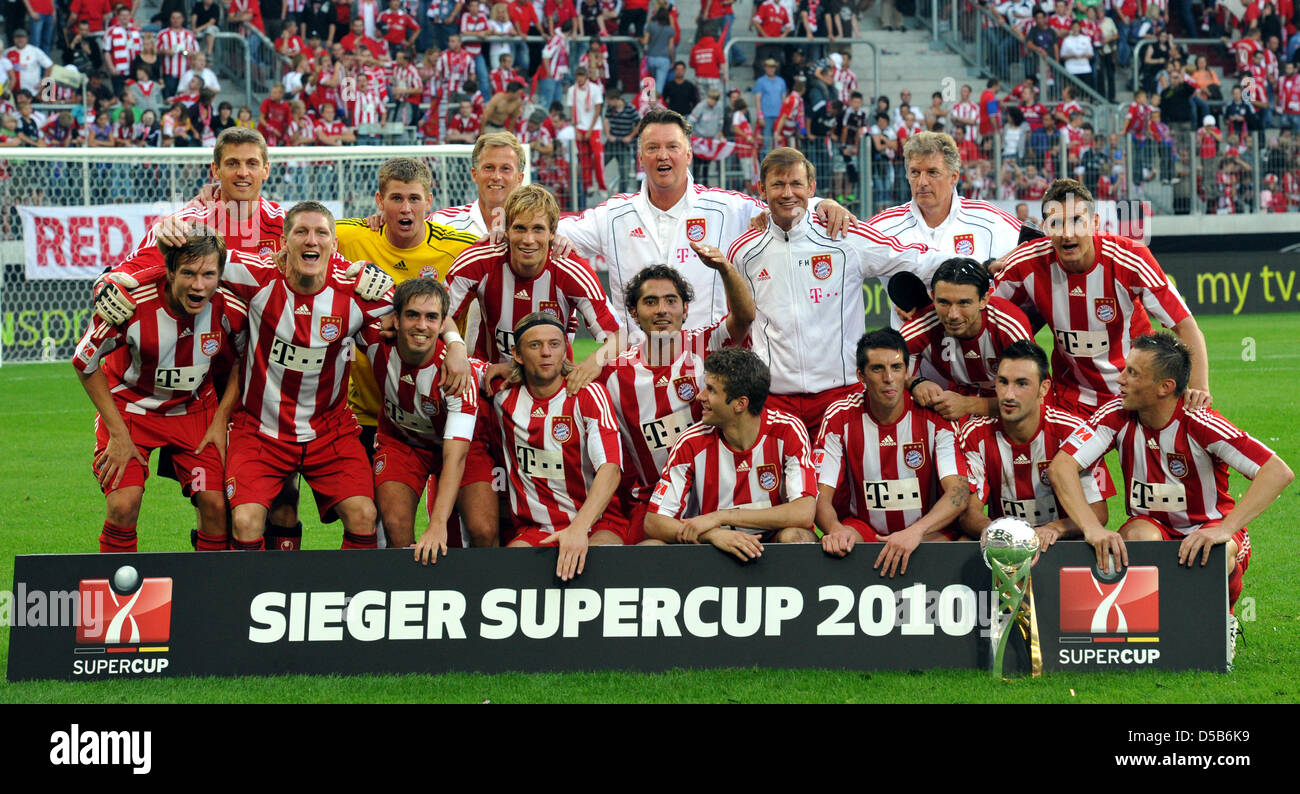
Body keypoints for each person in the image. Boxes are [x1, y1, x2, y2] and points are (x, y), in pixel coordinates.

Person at [1049, 333, 1293, 653]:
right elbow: (1061, 467)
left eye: (1133, 373)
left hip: (1207, 526)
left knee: (1216, 552)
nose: (1120, 379)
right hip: (1156, 529)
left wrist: (1224, 530)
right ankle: (1146, 631)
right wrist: (1092, 528)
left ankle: (1223, 620)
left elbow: (1277, 472)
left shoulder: (1200, 422)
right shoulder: (1116, 414)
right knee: (1136, 536)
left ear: (1164, 387)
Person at [557, 108, 854, 337]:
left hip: (709, 372)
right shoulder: (613, 215)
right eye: (652, 148)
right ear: (640, 157)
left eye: (672, 147)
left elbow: (783, 207)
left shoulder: (726, 208)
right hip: (637, 377)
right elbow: (543, 230)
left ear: (688, 155)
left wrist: (821, 204)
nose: (663, 155)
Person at [444, 185, 624, 545]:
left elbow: (615, 337)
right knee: (483, 524)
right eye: (520, 228)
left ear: (553, 234)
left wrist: (589, 366)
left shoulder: (571, 268)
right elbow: (437, 315)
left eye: (538, 229)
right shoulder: (479, 258)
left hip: (555, 396)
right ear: (505, 229)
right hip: (493, 397)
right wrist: (456, 347)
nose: (528, 239)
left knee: (556, 500)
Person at [726, 147, 941, 440]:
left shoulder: (843, 235)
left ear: (811, 188)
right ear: (762, 189)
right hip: (775, 399)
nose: (788, 193)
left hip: (841, 396)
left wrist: (979, 270)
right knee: (783, 486)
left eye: (797, 184)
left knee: (840, 486)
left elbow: (915, 258)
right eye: (778, 185)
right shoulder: (743, 251)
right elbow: (740, 320)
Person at [73, 232, 245, 553]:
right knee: (123, 505)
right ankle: (119, 599)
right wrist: (118, 433)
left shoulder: (230, 307)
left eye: (208, 274)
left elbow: (244, 361)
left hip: (196, 412)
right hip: (131, 410)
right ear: (169, 272)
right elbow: (84, 362)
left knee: (217, 507)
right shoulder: (129, 303)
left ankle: (210, 594)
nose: (198, 285)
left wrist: (222, 418)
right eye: (188, 274)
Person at [993, 178, 1210, 420]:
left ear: (1094, 222)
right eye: (1056, 223)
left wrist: (1199, 388)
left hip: (1138, 391)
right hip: (1070, 399)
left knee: (1191, 441)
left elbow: (1184, 324)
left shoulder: (1130, 258)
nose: (1067, 233)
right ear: (1045, 227)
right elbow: (980, 309)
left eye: (1077, 221)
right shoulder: (1025, 263)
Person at [335, 158, 479, 498]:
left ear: (429, 202)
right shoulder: (349, 237)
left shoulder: (459, 247)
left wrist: (458, 346)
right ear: (379, 201)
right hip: (371, 410)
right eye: (396, 198)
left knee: (469, 519)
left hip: (443, 406)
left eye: (414, 199)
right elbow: (296, 228)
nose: (406, 208)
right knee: (375, 520)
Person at [598, 254, 754, 547]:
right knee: (637, 560)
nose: (662, 310)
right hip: (654, 503)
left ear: (685, 308)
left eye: (671, 300)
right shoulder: (612, 375)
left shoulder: (708, 346)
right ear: (633, 311)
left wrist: (725, 269)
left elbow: (744, 317)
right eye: (650, 302)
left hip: (718, 496)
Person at [814, 329, 970, 576]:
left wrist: (916, 531)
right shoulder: (839, 417)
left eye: (896, 368)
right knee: (838, 546)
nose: (889, 378)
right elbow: (821, 495)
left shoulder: (935, 418)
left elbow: (959, 493)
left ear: (907, 372)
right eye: (877, 369)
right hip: (863, 528)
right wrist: (834, 528)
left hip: (927, 530)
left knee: (961, 545)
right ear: (861, 375)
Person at [645, 347, 819, 559]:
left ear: (740, 404)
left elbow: (804, 512)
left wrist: (722, 517)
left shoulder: (788, 430)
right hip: (711, 551)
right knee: (650, 547)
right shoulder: (690, 442)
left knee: (797, 537)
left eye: (711, 390)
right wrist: (712, 534)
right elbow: (654, 521)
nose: (700, 397)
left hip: (772, 549)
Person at [492, 312, 627, 580]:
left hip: (598, 522)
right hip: (535, 528)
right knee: (508, 575)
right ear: (517, 354)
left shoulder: (588, 394)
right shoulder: (502, 398)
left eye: (554, 344)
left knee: (604, 567)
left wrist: (579, 528)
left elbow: (611, 468)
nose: (546, 353)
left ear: (566, 350)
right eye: (535, 345)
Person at [357, 277, 478, 560]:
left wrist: (436, 525)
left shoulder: (457, 373)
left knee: (481, 527)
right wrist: (360, 268)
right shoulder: (374, 341)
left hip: (461, 450)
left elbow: (455, 457)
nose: (421, 326)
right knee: (395, 526)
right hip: (402, 443)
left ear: (442, 323)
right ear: (395, 319)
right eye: (412, 315)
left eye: (431, 318)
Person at [956, 340, 1110, 549]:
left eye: (1022, 384)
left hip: (1064, 543)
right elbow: (969, 512)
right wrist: (998, 532)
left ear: (1043, 389)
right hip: (1004, 545)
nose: (1009, 394)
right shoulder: (974, 434)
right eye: (1003, 382)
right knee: (962, 542)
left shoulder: (1073, 432)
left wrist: (1055, 528)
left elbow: (1098, 512)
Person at [867, 131, 1022, 327]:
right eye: (915, 172)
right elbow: (840, 252)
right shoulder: (883, 227)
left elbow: (1037, 253)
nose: (922, 182)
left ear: (954, 176)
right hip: (912, 355)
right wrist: (827, 207)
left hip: (978, 356)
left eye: (932, 172)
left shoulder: (990, 220)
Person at [901, 257, 1033, 420]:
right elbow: (880, 375)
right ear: (932, 297)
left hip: (1015, 411)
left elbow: (1031, 400)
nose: (953, 315)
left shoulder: (1008, 325)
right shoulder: (922, 327)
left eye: (964, 303)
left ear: (984, 300)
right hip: (959, 404)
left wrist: (968, 405)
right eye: (943, 302)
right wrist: (913, 383)